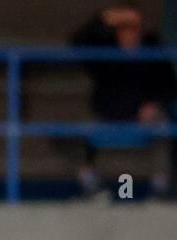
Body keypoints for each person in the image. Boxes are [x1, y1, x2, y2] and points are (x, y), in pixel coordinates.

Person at [70, 2, 177, 198]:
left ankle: (160, 189)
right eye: (122, 28)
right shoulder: (105, 48)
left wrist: (154, 103)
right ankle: (93, 188)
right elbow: (77, 42)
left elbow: (169, 85)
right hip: (107, 116)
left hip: (143, 118)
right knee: (67, 132)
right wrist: (105, 17)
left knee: (166, 127)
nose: (128, 33)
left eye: (132, 27)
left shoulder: (153, 47)